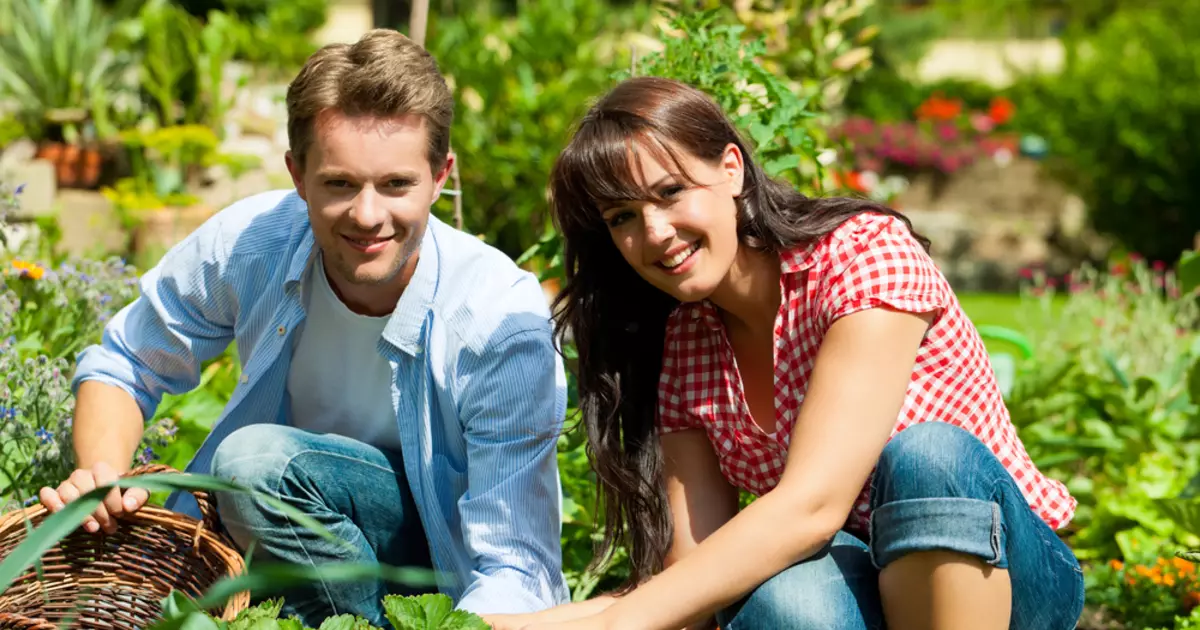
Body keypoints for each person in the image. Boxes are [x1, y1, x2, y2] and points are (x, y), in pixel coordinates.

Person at [492, 76, 1085, 630]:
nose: (653, 234)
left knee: (929, 454)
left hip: (1010, 580)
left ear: (731, 169)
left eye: (670, 192)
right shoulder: (687, 344)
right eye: (623, 217)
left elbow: (813, 505)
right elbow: (689, 579)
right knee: (786, 599)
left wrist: (621, 625)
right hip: (869, 590)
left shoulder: (861, 258)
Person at [37, 29, 569, 627]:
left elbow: (516, 570)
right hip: (287, 538)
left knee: (253, 464)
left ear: (440, 175)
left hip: (443, 576)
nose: (368, 216)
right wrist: (102, 476)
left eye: (396, 185)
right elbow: (127, 361)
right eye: (340, 184)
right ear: (297, 173)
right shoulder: (251, 244)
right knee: (258, 478)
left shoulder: (498, 321)